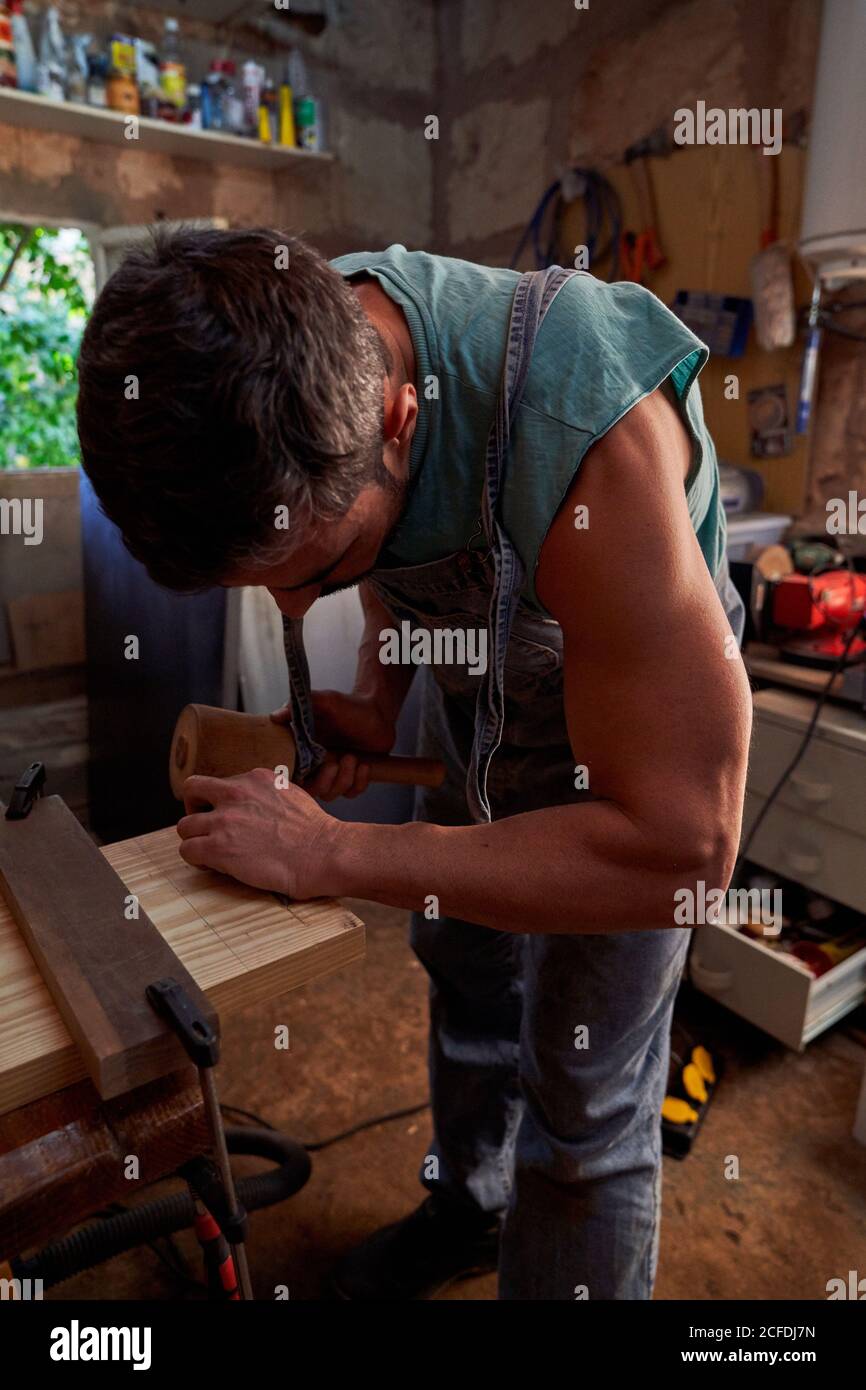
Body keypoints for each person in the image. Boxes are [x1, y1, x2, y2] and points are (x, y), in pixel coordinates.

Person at [77, 228, 751, 1300]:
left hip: (636, 716)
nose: (296, 607)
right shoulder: (305, 345)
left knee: (583, 1090)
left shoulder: (592, 436)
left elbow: (676, 856)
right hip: (490, 667)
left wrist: (336, 854)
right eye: (267, 585)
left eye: (320, 571)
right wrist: (382, 699)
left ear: (399, 413)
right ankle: (473, 1207)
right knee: (466, 959)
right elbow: (402, 539)